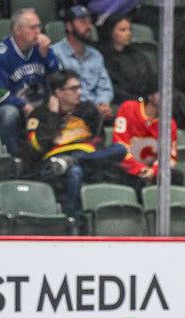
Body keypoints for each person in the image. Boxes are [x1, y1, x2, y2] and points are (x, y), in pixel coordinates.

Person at [21, 69, 127, 229]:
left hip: (87, 158)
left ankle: (72, 161)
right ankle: (74, 222)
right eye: (74, 88)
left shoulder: (88, 110)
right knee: (74, 172)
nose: (80, 92)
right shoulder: (40, 114)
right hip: (54, 164)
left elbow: (98, 140)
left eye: (79, 87)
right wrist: (54, 115)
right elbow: (39, 147)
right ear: (59, 93)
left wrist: (81, 156)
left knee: (120, 148)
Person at [0, 8, 62, 156]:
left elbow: (60, 79)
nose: (38, 32)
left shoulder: (43, 49)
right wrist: (23, 105)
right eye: (33, 27)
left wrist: (47, 56)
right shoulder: (1, 53)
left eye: (39, 26)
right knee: (9, 114)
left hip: (41, 106)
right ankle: (11, 159)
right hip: (14, 107)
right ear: (18, 30)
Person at [112, 77, 183, 193]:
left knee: (176, 176)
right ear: (150, 96)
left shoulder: (169, 123)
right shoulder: (128, 108)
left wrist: (154, 171)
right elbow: (119, 144)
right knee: (132, 179)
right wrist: (139, 168)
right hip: (129, 167)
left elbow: (170, 156)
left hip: (152, 169)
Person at [52, 5, 114, 122]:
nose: (88, 26)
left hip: (96, 110)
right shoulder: (56, 54)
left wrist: (102, 103)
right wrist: (93, 108)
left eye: (90, 22)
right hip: (71, 109)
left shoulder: (96, 55)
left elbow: (105, 87)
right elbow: (60, 91)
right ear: (69, 26)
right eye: (83, 22)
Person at [98, 14, 155, 109]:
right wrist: (139, 99)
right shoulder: (104, 57)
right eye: (123, 30)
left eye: (129, 30)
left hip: (145, 98)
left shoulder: (137, 54)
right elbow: (113, 87)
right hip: (125, 101)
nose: (128, 33)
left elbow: (151, 77)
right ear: (111, 32)